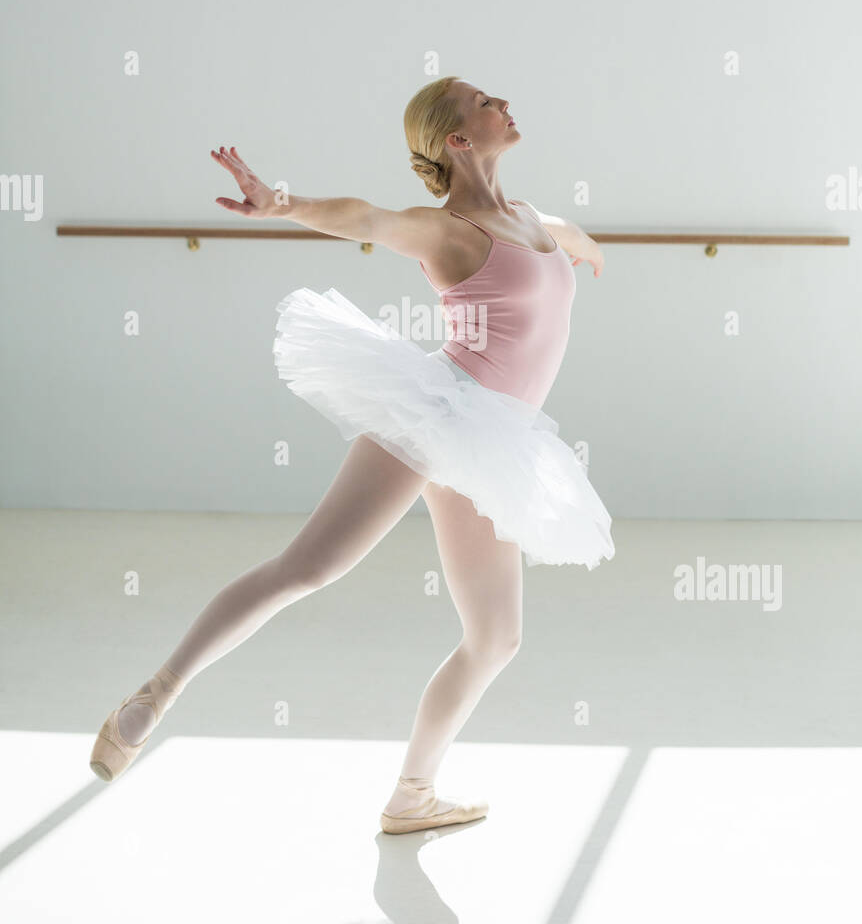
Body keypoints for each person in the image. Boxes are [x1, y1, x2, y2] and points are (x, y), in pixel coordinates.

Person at [90, 76, 614, 834]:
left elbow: (562, 235)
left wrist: (587, 245)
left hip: (492, 445)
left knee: (496, 637)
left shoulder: (530, 218)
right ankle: (156, 694)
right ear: (458, 140)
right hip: (442, 411)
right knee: (306, 568)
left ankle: (412, 795)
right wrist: (283, 205)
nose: (503, 100)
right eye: (483, 100)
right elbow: (368, 217)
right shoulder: (452, 230)